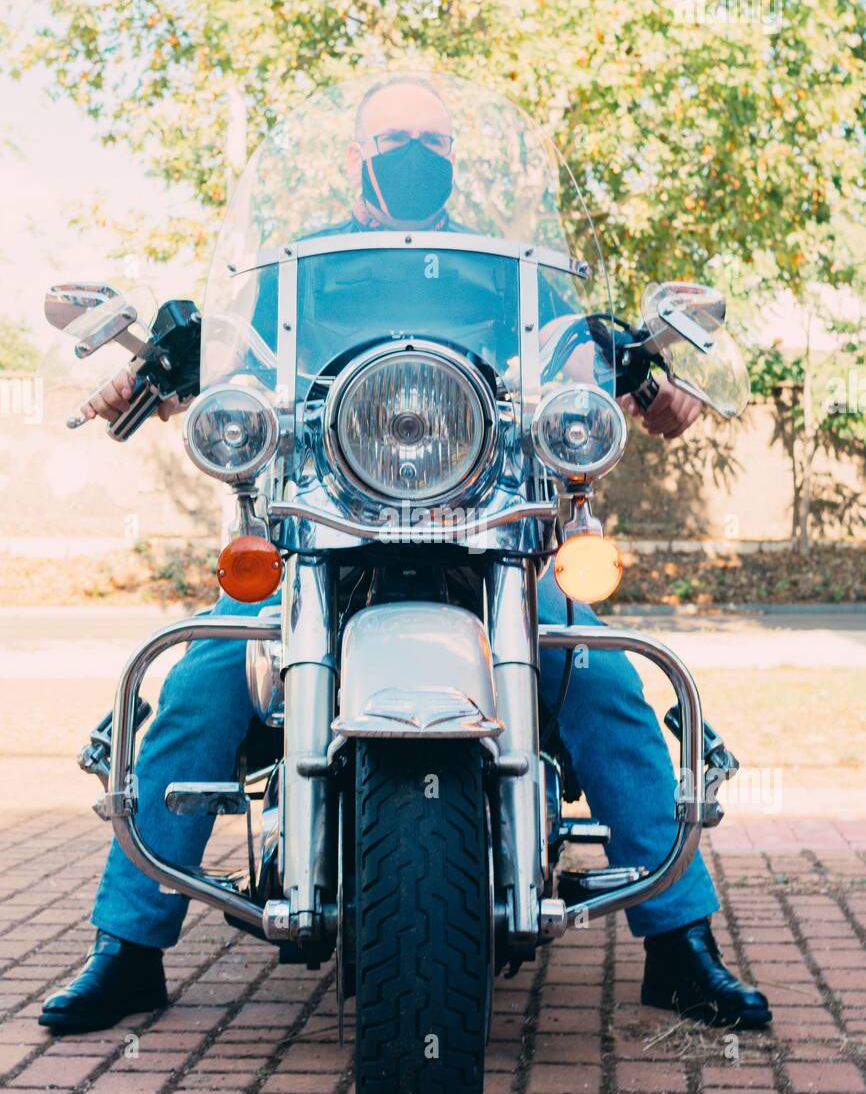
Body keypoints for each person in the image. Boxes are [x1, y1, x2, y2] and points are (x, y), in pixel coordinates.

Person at [40, 76, 770, 1035]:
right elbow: (236, 351)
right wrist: (165, 366)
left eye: (433, 137)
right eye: (394, 139)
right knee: (206, 677)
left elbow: (571, 348)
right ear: (353, 157)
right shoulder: (298, 267)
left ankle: (682, 948)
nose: (415, 153)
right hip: (324, 532)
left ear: (457, 156)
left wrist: (628, 373)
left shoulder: (512, 266)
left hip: (487, 532)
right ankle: (127, 950)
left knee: (598, 675)